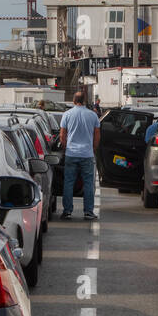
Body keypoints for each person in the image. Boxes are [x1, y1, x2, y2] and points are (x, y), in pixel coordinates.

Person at [59, 91, 100, 220]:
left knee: (69, 182)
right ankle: (88, 211)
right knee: (88, 183)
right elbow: (97, 135)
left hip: (71, 153)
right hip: (87, 154)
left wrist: (66, 147)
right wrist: (92, 148)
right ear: (85, 100)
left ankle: (67, 211)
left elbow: (62, 135)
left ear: (74, 100)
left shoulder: (67, 114)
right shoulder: (93, 115)